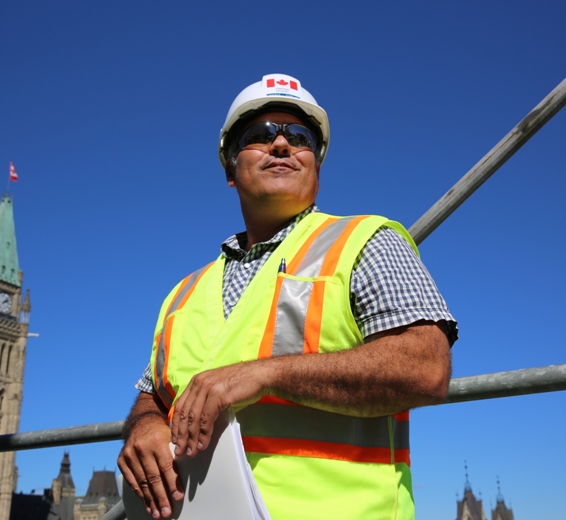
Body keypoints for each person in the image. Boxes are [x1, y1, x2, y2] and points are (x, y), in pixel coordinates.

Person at [118, 73, 457, 520]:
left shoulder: (366, 241)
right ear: (230, 169)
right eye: (259, 135)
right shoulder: (183, 295)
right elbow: (153, 395)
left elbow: (426, 367)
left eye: (299, 138)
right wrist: (144, 424)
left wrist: (267, 374)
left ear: (316, 166)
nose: (281, 144)